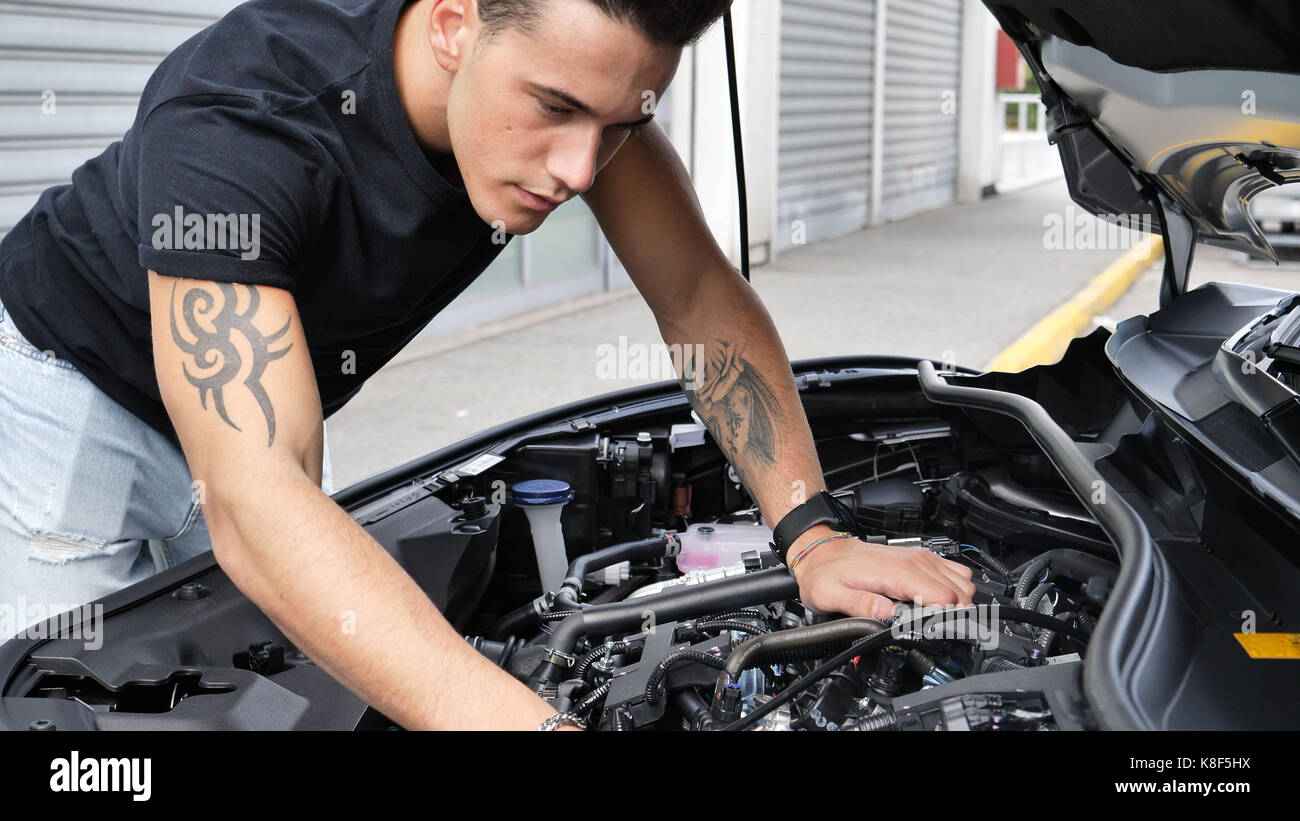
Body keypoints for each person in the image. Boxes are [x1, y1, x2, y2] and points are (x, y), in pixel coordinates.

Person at [0, 0, 974, 730]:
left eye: (620, 124)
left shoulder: (580, 99)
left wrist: (812, 537)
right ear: (454, 24)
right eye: (553, 108)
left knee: (292, 696)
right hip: (68, 408)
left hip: (261, 412)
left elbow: (699, 300)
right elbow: (256, 497)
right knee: (81, 712)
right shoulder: (241, 117)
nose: (581, 170)